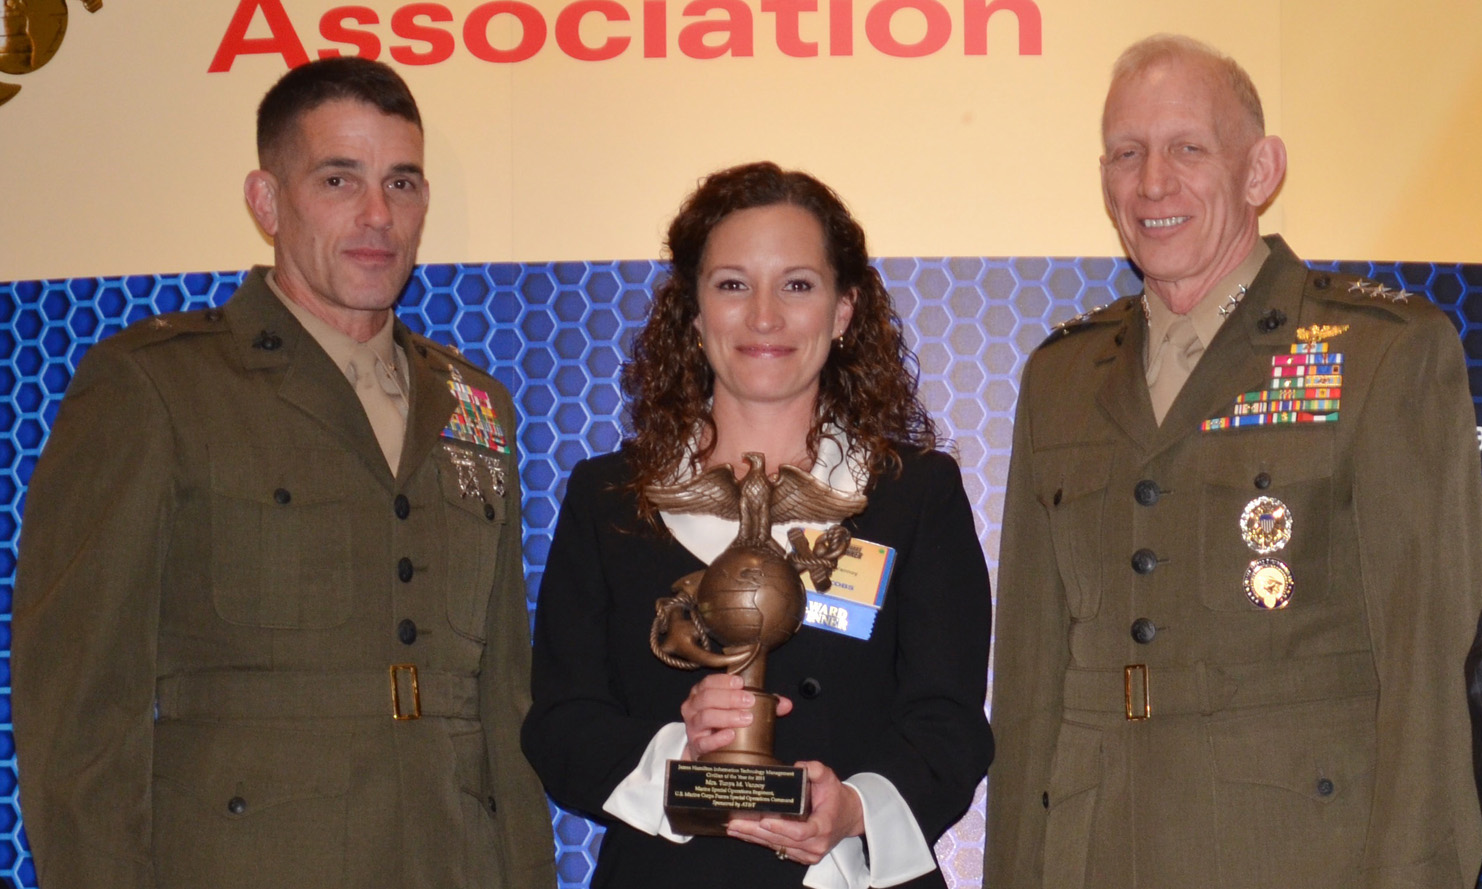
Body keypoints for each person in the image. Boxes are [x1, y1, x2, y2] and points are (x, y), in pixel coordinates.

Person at [12, 57, 555, 889]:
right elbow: (81, 708)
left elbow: (503, 697)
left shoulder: (478, 406)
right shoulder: (157, 386)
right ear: (267, 200)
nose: (379, 216)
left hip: (454, 860)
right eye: (340, 179)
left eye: (402, 183)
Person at [985, 34, 1482, 888]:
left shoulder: (1380, 354)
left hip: (1295, 852)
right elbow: (1031, 684)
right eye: (1126, 153)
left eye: (1187, 148)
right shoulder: (1062, 375)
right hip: (1094, 849)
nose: (1151, 184)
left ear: (1260, 171)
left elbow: (1426, 676)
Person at [521, 161, 993, 889]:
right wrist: (678, 756)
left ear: (843, 312)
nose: (764, 316)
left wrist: (854, 808)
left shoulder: (916, 495)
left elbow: (949, 725)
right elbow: (561, 722)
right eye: (733, 284)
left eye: (798, 285)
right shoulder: (609, 498)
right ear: (693, 310)